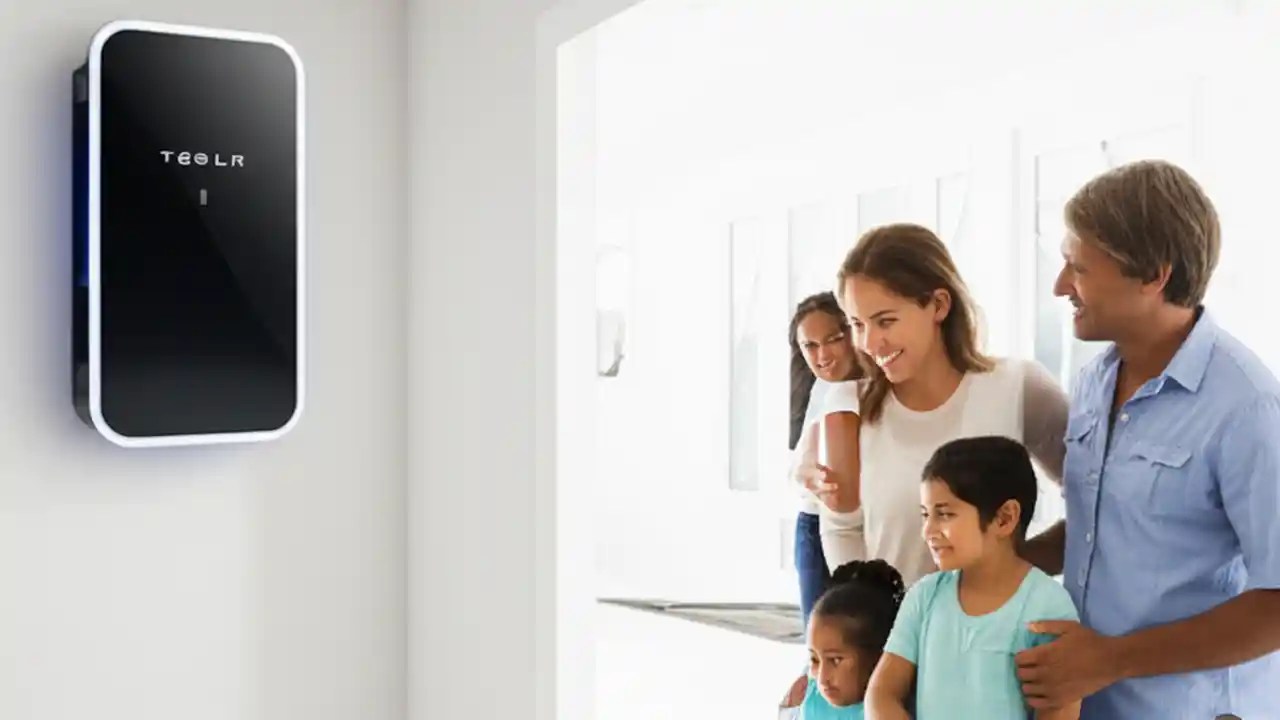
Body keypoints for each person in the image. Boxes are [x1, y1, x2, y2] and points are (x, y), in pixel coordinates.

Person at [1015, 159, 1280, 719]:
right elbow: (1105, 523)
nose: (1062, 286)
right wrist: (1009, 560)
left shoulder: (1247, 407)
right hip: (1092, 702)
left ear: (1153, 276)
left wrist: (1110, 660)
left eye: (1077, 267)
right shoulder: (1093, 381)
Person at [803, 223, 1069, 586]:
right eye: (856, 324)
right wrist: (883, 626)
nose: (869, 343)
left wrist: (1016, 570)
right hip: (895, 636)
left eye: (885, 321)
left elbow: (1102, 500)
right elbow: (842, 531)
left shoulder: (1018, 386)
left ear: (939, 305)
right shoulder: (849, 408)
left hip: (1001, 636)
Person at [865, 436, 1081, 720]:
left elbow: (1059, 712)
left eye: (944, 514)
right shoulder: (924, 597)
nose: (928, 531)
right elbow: (880, 695)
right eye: (925, 515)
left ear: (1004, 518)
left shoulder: (1047, 606)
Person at [789, 291, 861, 628]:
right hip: (818, 525)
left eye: (832, 339)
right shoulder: (825, 390)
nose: (822, 356)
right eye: (810, 346)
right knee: (824, 641)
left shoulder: (875, 384)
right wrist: (810, 475)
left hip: (866, 526)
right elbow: (801, 464)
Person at [780, 560, 905, 719]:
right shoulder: (808, 698)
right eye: (815, 659)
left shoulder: (897, 706)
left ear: (879, 656)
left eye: (835, 660)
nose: (822, 678)